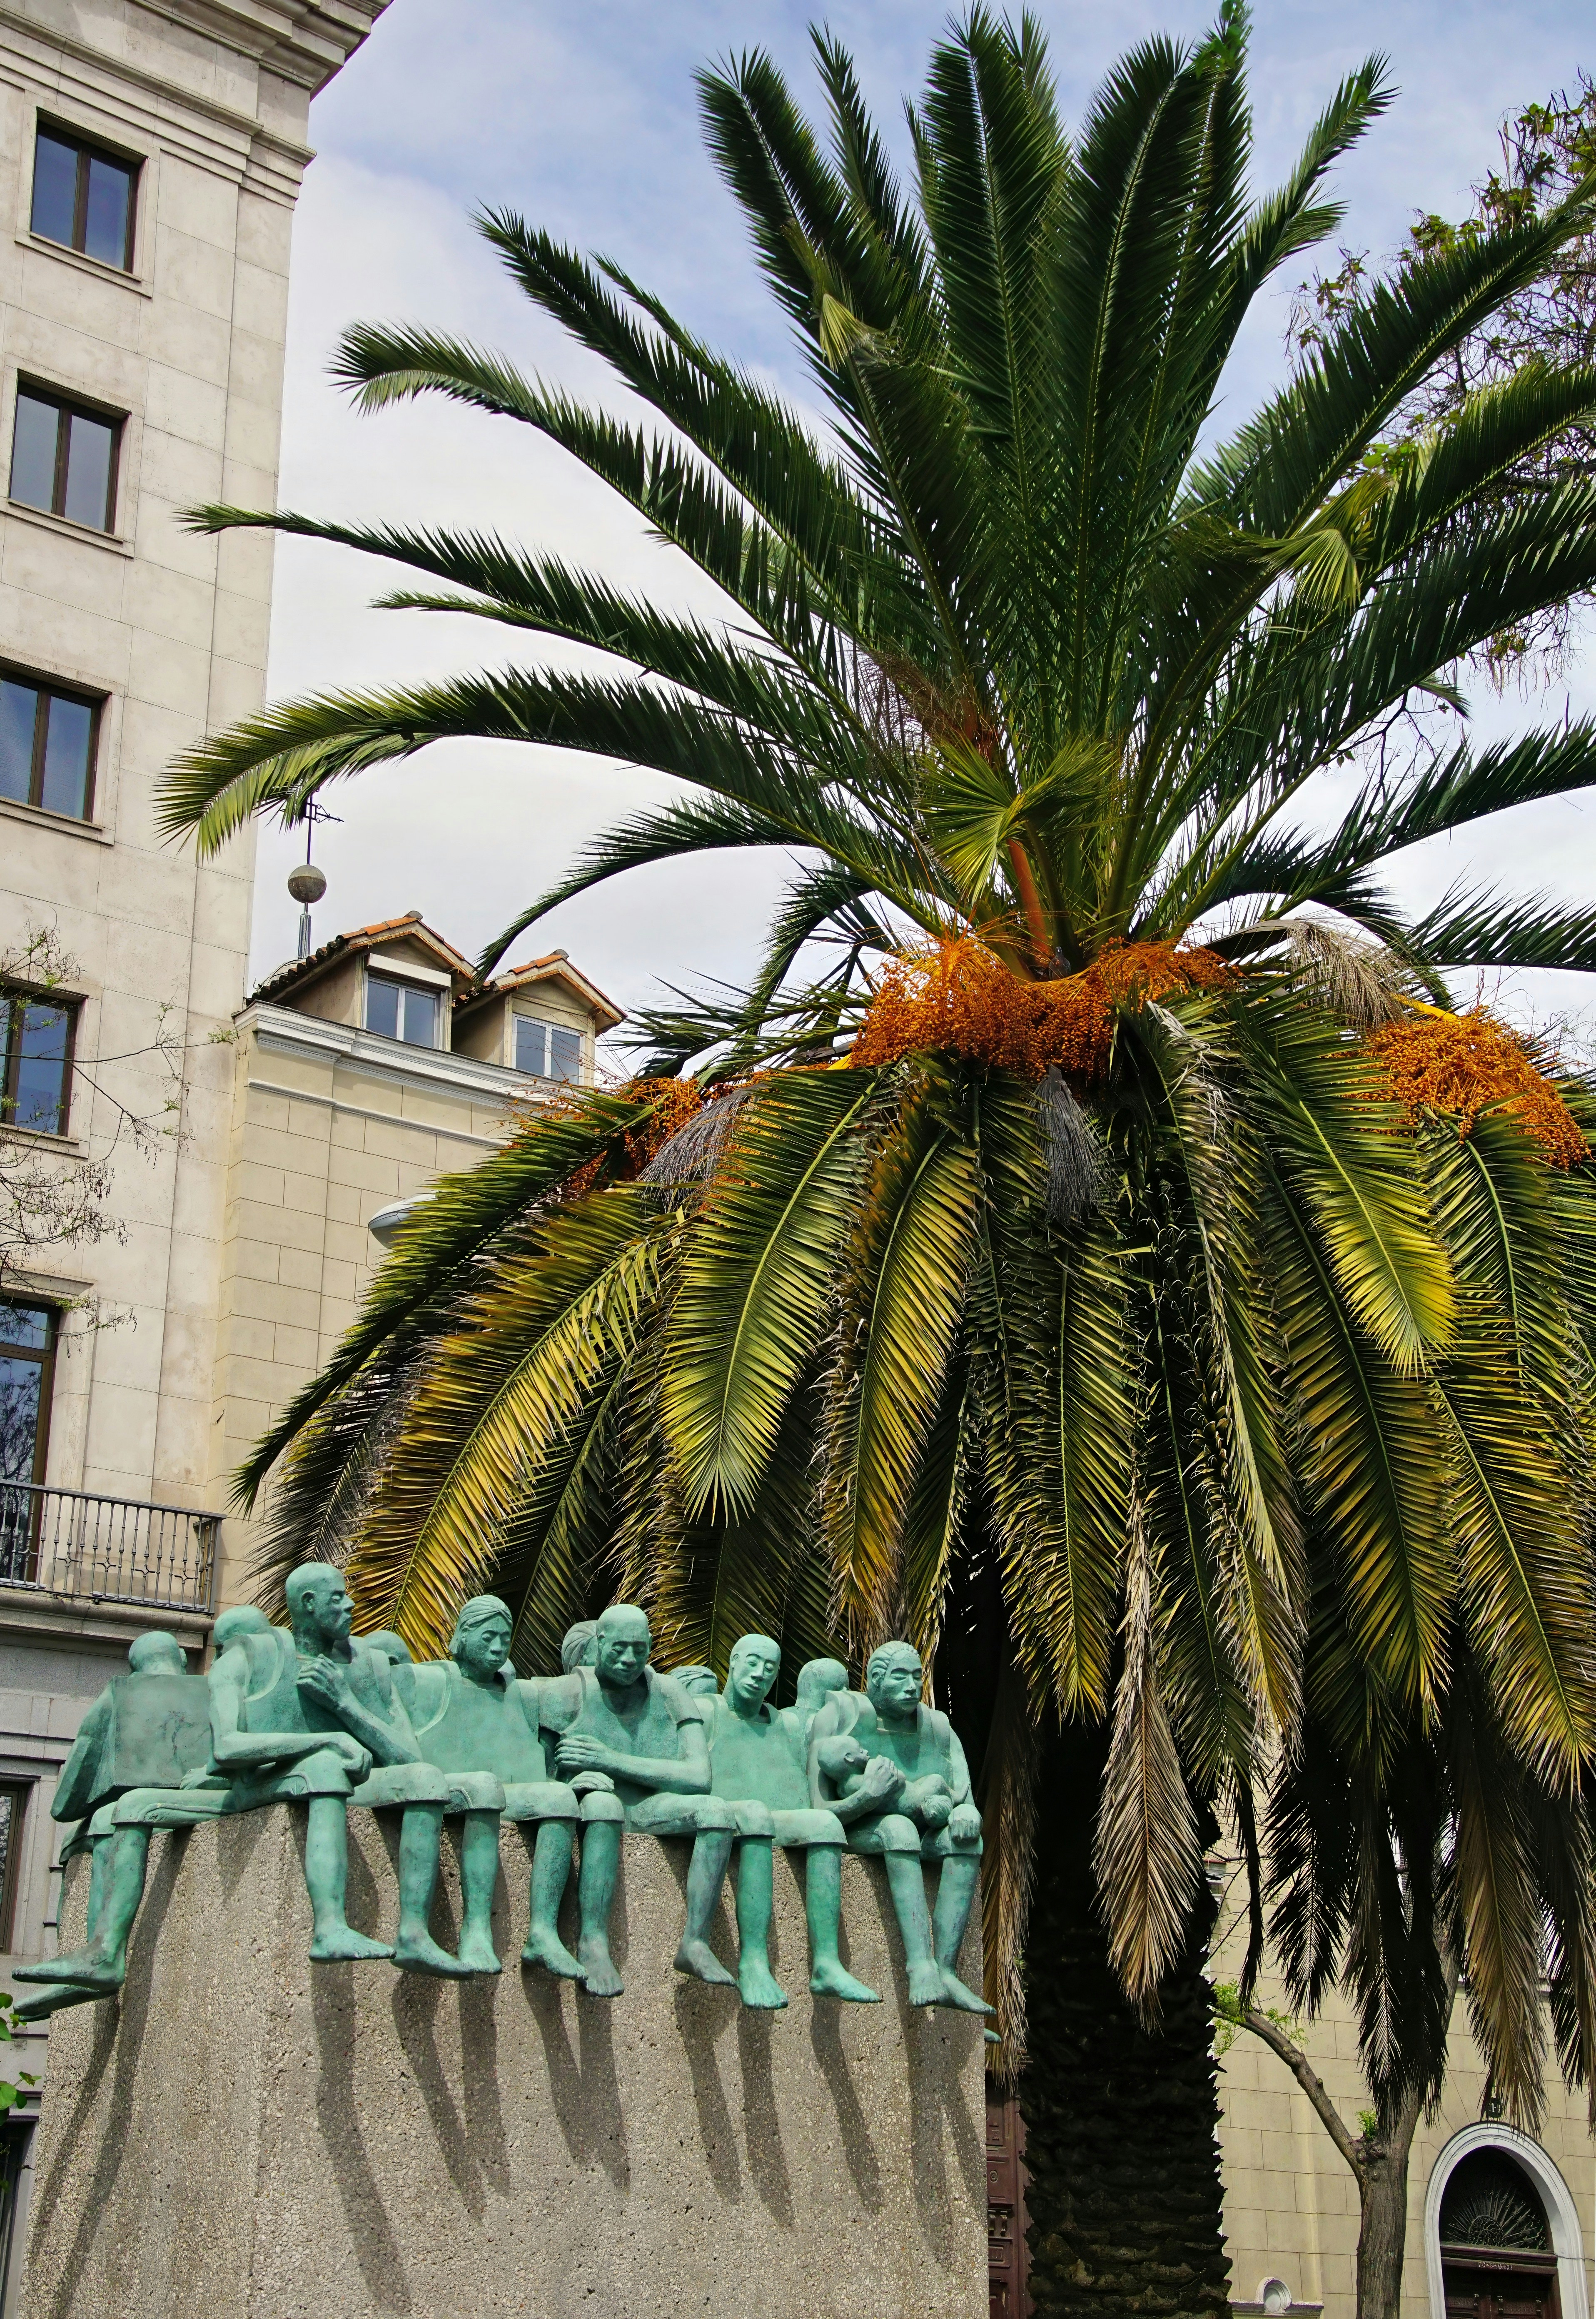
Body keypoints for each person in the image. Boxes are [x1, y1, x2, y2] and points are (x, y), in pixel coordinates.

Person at [197, 1563, 493, 1977]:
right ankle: (330, 1927)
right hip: (264, 1783)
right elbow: (226, 1748)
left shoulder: (368, 1663)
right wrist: (327, 1740)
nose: (350, 1603)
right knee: (324, 1766)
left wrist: (345, 1706)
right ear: (308, 1604)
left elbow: (411, 1759)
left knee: (426, 1779)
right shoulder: (249, 1657)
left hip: (353, 1782)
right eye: (337, 1597)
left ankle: (414, 1937)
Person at [11, 1625, 232, 2015]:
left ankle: (91, 1954)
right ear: (182, 1660)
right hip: (194, 1802)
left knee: (94, 1825)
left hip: (158, 1811)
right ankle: (89, 1963)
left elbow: (64, 1804)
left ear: (135, 1669)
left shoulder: (116, 1698)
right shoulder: (218, 1687)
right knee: (110, 1819)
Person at [538, 1604, 751, 2001]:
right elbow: (538, 1775)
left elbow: (698, 1778)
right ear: (599, 1644)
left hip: (653, 1806)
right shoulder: (566, 1692)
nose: (630, 1659)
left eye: (640, 1648)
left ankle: (696, 1941)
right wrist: (571, 1785)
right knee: (605, 1805)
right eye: (619, 1648)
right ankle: (593, 1942)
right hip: (596, 1806)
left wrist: (608, 1760)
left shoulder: (670, 1692)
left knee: (718, 1812)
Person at [405, 1595, 621, 1979]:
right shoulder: (431, 1680)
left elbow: (538, 1761)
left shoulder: (520, 1694)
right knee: (484, 1786)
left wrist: (571, 1782)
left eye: (504, 1639)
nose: (496, 1647)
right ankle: (475, 1929)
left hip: (512, 1789)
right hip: (446, 1785)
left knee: (557, 1798)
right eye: (488, 1636)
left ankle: (542, 1933)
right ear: (463, 1634)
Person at [700, 1634, 885, 2006]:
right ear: (733, 1661)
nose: (760, 1674)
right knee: (755, 1815)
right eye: (752, 1662)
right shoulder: (706, 1711)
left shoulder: (783, 1724)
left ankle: (827, 1964)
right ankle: (753, 1961)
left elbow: (812, 1798)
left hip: (779, 1816)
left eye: (770, 1669)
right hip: (726, 1814)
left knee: (826, 1825)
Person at [809, 1639, 989, 2013]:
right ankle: (920, 1966)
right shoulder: (840, 1716)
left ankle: (948, 1970)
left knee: (968, 1844)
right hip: (861, 1830)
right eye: (899, 1677)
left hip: (928, 1823)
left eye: (917, 1677)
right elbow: (820, 1813)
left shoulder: (938, 1727)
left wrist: (967, 1813)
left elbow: (965, 1800)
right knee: (897, 1827)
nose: (912, 1686)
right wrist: (869, 1798)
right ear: (875, 1680)